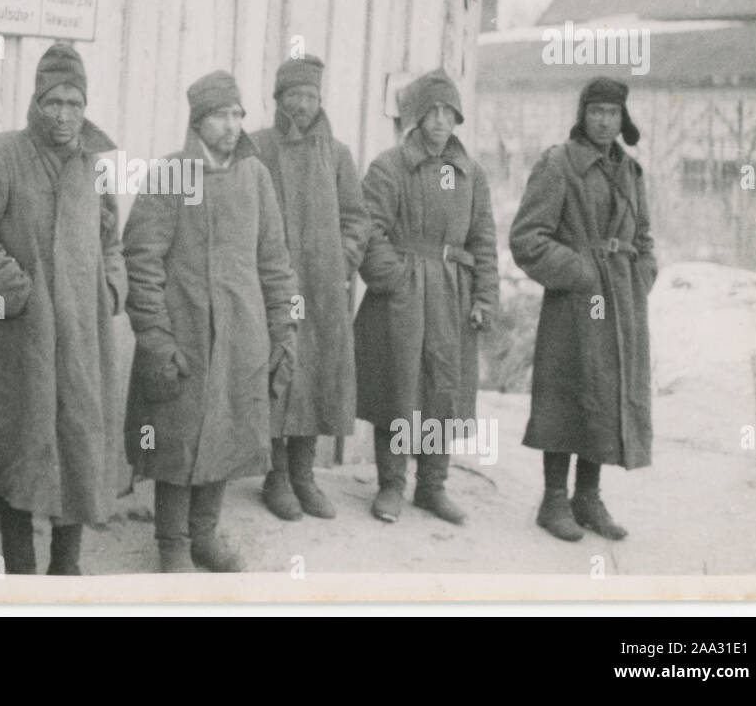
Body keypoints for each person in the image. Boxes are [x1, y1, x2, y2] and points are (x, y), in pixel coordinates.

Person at [0, 43, 127, 575]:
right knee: (19, 452)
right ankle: (21, 575)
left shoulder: (94, 166)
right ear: (36, 102)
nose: (65, 115)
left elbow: (111, 242)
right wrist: (20, 292)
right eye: (54, 102)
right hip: (18, 339)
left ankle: (66, 570)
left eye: (75, 103)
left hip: (80, 339)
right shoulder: (0, 156)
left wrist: (110, 291)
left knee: (77, 446)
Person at [123, 70, 299, 572]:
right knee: (177, 443)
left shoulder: (255, 176)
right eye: (221, 115)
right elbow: (142, 262)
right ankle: (173, 544)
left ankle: (204, 535)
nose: (231, 125)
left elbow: (275, 262)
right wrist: (157, 338)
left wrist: (282, 329)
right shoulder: (170, 174)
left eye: (238, 114)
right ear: (199, 121)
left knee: (228, 432)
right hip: (185, 338)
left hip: (242, 337)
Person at [509, 77, 656, 542]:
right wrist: (581, 272)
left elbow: (645, 239)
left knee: (606, 398)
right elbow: (527, 238)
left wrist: (640, 276)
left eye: (612, 113)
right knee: (566, 393)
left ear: (622, 119)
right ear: (582, 114)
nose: (603, 121)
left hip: (620, 306)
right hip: (575, 304)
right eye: (595, 111)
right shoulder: (558, 164)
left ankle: (587, 497)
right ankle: (554, 500)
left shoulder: (631, 172)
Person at [356, 69, 498, 525]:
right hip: (402, 292)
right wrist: (395, 278)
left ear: (457, 117)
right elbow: (368, 229)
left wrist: (483, 298)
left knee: (444, 390)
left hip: (453, 294)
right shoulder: (388, 167)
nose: (439, 121)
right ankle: (391, 486)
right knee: (398, 388)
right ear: (415, 116)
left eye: (447, 112)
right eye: (430, 111)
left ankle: (432, 487)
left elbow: (484, 240)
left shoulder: (470, 174)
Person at [252, 55, 369, 521]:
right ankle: (276, 477)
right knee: (280, 374)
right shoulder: (259, 147)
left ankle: (305, 476)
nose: (302, 104)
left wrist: (339, 260)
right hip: (274, 286)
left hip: (322, 291)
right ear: (278, 99)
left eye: (310, 96)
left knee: (318, 378)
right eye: (293, 95)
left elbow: (357, 219)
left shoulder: (337, 155)